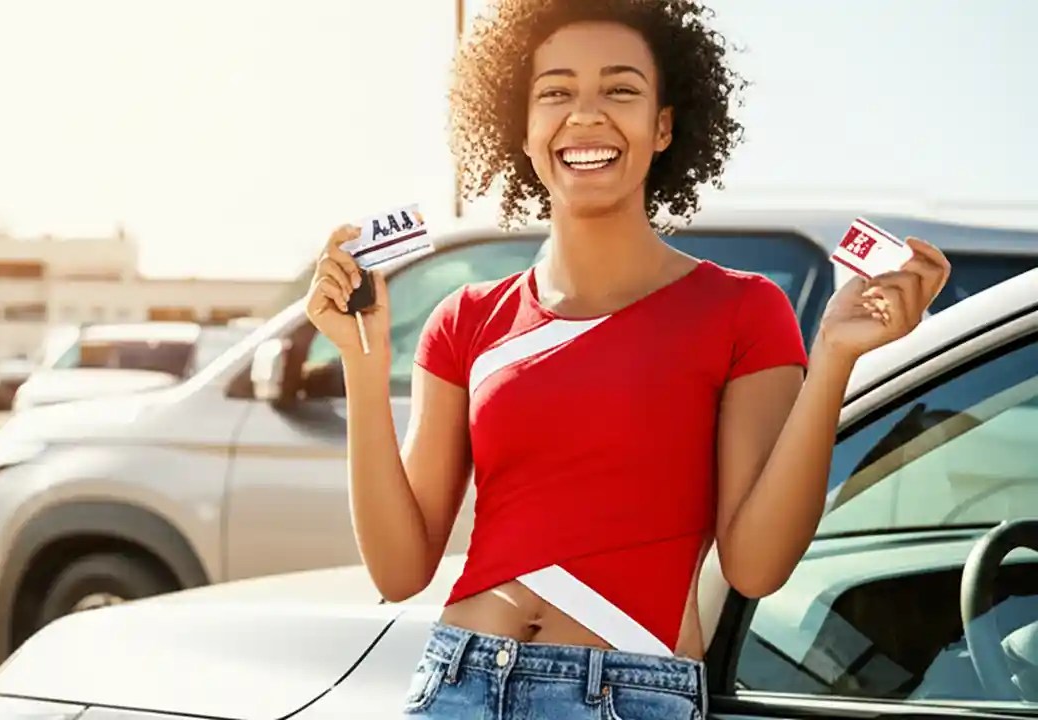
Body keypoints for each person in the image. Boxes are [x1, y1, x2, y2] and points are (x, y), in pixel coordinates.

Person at [305, 0, 952, 717]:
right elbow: (399, 572)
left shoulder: (742, 311)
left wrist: (831, 358)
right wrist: (361, 365)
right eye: (555, 92)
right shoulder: (465, 320)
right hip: (458, 682)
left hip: (630, 693)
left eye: (620, 90)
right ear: (520, 129)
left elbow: (756, 565)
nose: (585, 115)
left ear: (663, 125)